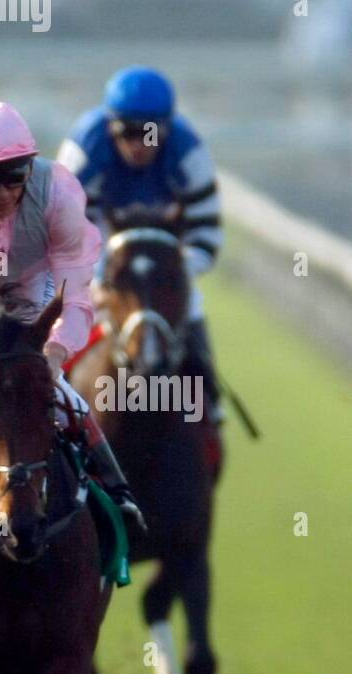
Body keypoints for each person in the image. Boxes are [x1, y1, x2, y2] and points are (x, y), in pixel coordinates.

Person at [0, 99, 144, 528]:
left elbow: (75, 300)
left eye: (14, 178)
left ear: (31, 169)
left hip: (33, 284)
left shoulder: (58, 195)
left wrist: (54, 353)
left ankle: (118, 493)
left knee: (58, 392)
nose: (1, 193)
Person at [57, 65, 223, 427]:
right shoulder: (86, 149)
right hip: (98, 247)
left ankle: (210, 401)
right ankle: (51, 398)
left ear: (167, 129)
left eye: (151, 135)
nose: (140, 145)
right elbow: (63, 231)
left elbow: (207, 237)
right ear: (109, 127)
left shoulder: (189, 153)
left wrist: (175, 271)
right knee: (71, 310)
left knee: (190, 305)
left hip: (165, 255)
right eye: (128, 133)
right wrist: (97, 279)